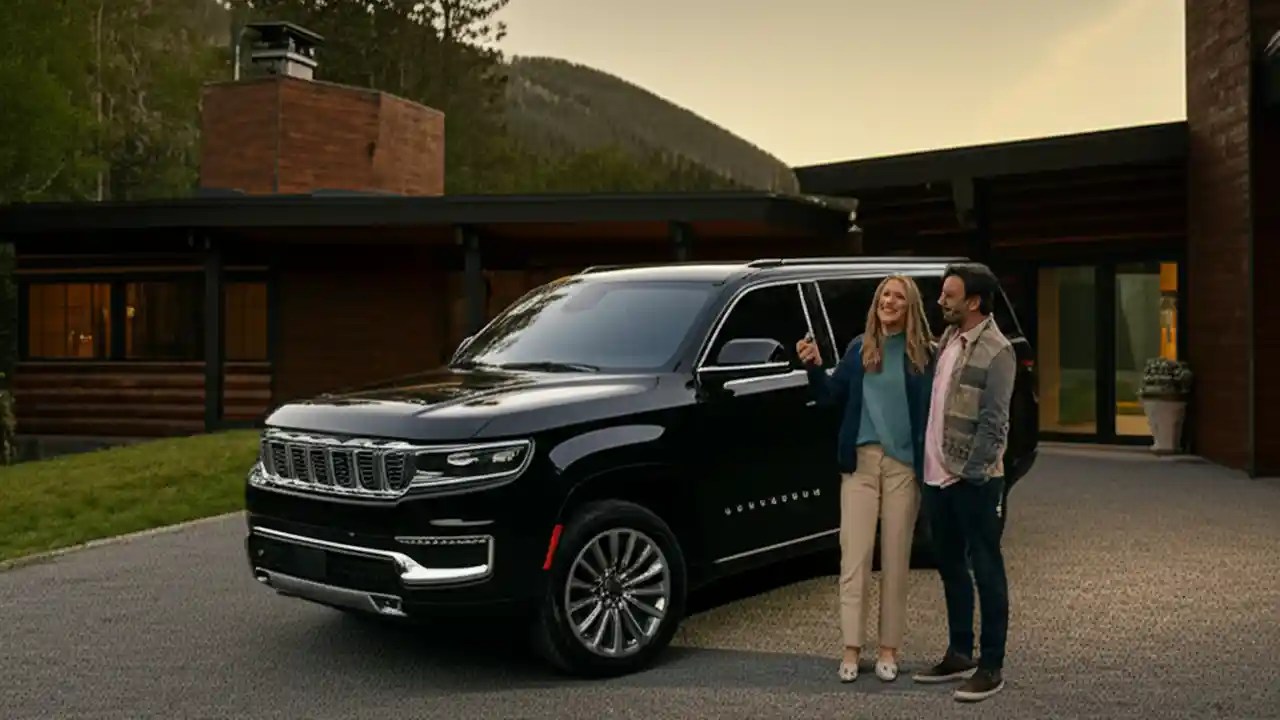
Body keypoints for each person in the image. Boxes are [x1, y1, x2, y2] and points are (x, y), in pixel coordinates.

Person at [796, 275, 935, 684]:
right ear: (877, 303)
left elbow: (932, 412)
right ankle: (851, 650)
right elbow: (828, 396)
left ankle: (889, 650)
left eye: (898, 297)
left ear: (910, 308)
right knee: (853, 560)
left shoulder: (923, 357)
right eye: (884, 295)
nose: (889, 301)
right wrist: (813, 366)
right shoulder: (860, 349)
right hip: (859, 465)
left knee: (895, 561)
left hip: (902, 468)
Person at [910, 262, 1016, 703]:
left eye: (949, 295)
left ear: (973, 301)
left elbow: (995, 425)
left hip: (973, 482)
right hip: (936, 478)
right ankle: (959, 652)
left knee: (986, 568)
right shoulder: (949, 340)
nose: (941, 300)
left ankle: (991, 665)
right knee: (950, 564)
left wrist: (969, 475)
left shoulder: (997, 350)